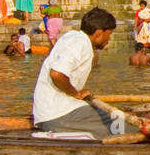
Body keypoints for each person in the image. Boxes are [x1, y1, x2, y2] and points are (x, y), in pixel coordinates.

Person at [32, 8, 117, 139]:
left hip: (57, 111)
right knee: (120, 126)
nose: (109, 39)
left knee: (115, 120)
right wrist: (76, 93)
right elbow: (56, 74)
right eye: (109, 34)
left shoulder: (73, 37)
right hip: (58, 114)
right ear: (99, 34)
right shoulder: (80, 43)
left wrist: (78, 92)